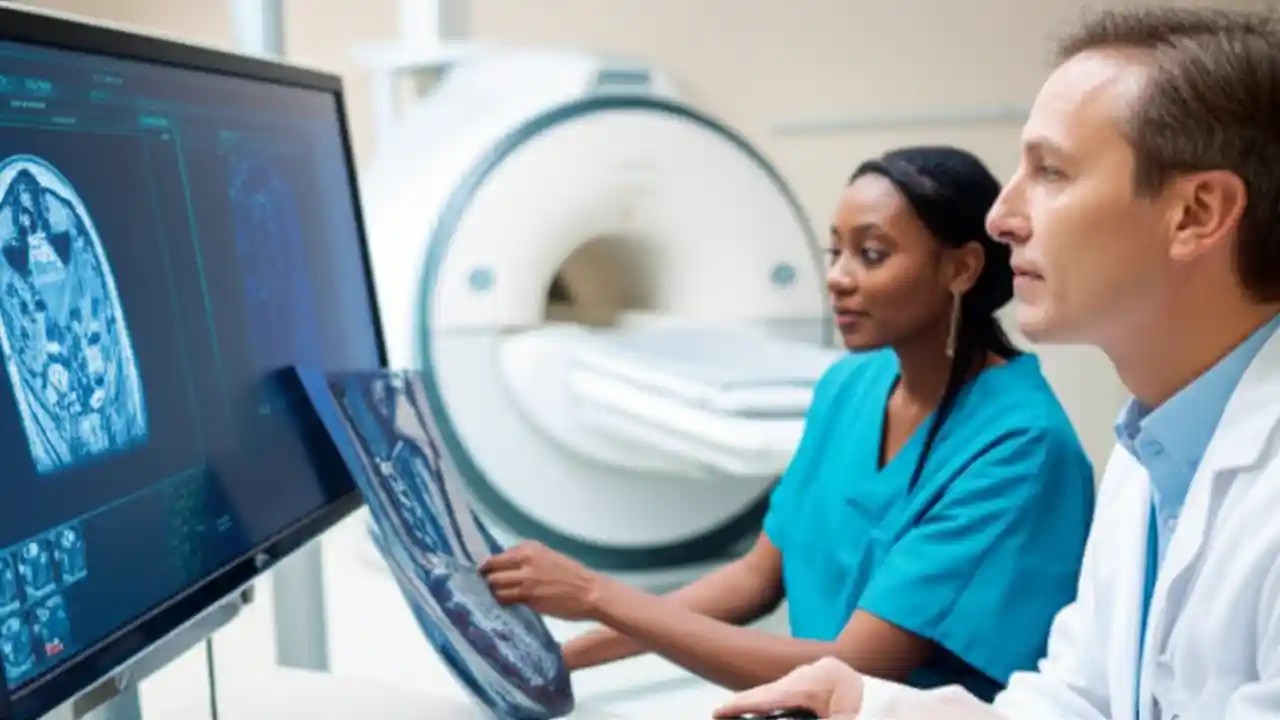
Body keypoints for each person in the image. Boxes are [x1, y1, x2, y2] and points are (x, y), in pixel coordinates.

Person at [714, 7, 1280, 720]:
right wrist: (863, 707)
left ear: (1197, 213)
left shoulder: (1037, 440)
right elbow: (1077, 702)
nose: (1001, 216)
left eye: (1050, 172)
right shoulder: (1149, 455)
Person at [479, 146, 1095, 700]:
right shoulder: (849, 388)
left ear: (961, 269)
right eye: (836, 252)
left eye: (872, 254)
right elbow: (754, 578)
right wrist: (562, 655)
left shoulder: (1020, 445)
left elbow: (858, 667)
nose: (837, 277)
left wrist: (594, 595)